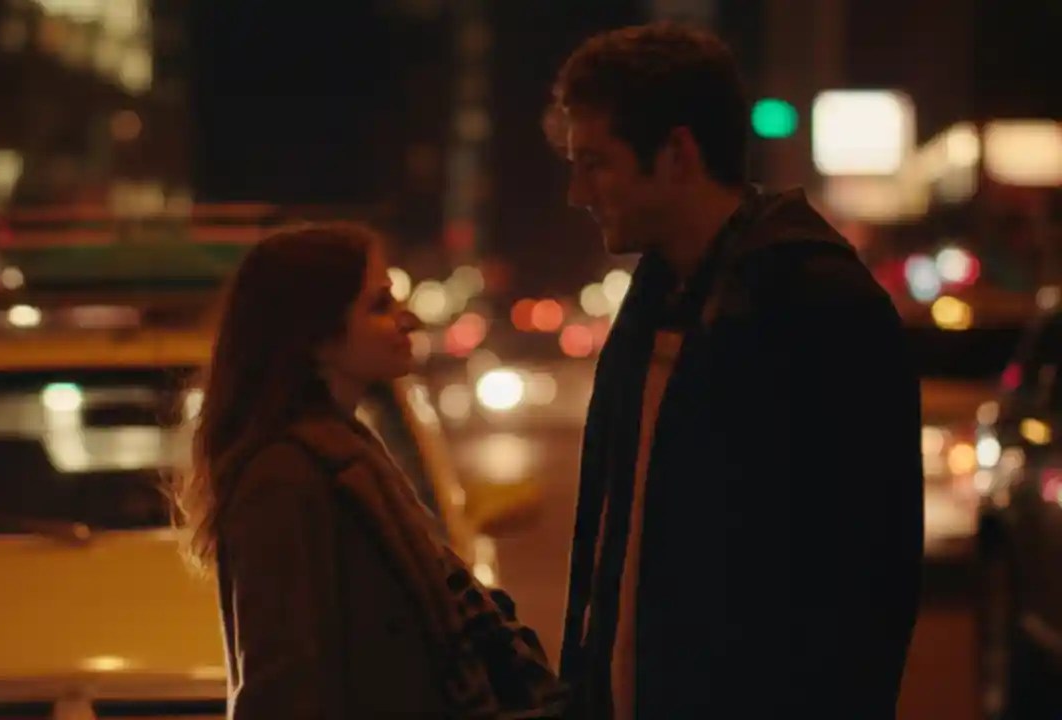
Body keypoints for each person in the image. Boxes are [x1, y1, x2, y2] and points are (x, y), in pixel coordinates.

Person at [548, 22, 924, 719]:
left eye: (595, 162)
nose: (577, 191)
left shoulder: (817, 306)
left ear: (676, 154)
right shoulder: (654, 308)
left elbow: (866, 585)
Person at [174, 223, 566, 719]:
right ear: (316, 336)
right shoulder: (284, 475)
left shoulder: (346, 450)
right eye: (379, 305)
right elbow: (282, 682)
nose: (408, 321)